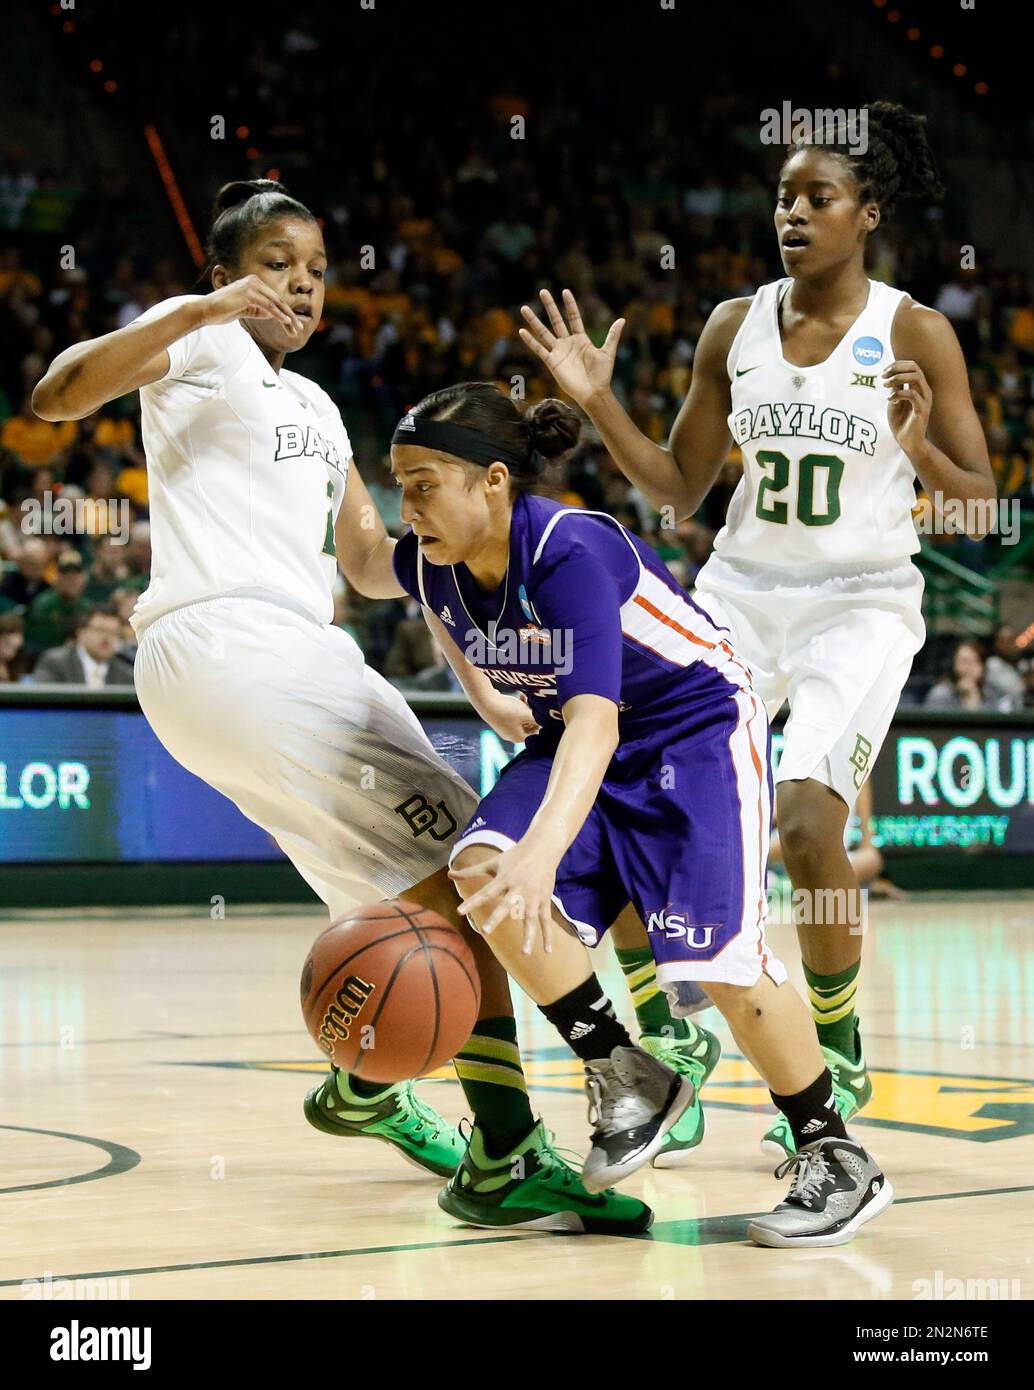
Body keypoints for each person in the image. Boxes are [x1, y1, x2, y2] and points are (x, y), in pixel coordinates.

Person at [31, 178, 660, 1235]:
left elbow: (370, 562)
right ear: (226, 270)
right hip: (234, 643)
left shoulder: (320, 409)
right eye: (277, 263)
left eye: (317, 273)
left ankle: (366, 1085)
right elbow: (56, 394)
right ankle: (508, 1152)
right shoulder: (200, 346)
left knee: (397, 909)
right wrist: (206, 310)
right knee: (467, 871)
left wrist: (483, 585)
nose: (302, 286)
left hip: (281, 660)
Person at [520, 101, 996, 1161]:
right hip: (736, 590)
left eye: (817, 197)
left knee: (807, 821)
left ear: (865, 213)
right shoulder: (733, 326)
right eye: (783, 196)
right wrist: (600, 402)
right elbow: (678, 491)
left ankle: (837, 1040)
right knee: (626, 783)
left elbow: (981, 502)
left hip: (861, 599)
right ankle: (664, 1040)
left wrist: (920, 450)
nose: (793, 212)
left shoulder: (917, 332)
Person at [381, 380, 893, 1248]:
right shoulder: (428, 559)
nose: (408, 503)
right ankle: (627, 1068)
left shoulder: (572, 548)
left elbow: (595, 719)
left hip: (688, 729)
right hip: (578, 736)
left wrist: (545, 850)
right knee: (481, 875)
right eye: (398, 483)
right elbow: (375, 567)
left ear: (494, 482)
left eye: (424, 482)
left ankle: (834, 1153)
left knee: (718, 959)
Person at [31, 603, 135, 686]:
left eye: (113, 632)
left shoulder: (127, 674)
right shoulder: (55, 663)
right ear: (81, 633)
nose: (106, 638)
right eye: (100, 630)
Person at [924, 639, 1017, 712]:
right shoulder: (940, 693)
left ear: (982, 666)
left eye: (974, 661)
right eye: (964, 661)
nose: (968, 668)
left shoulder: (997, 694)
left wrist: (974, 700)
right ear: (954, 664)